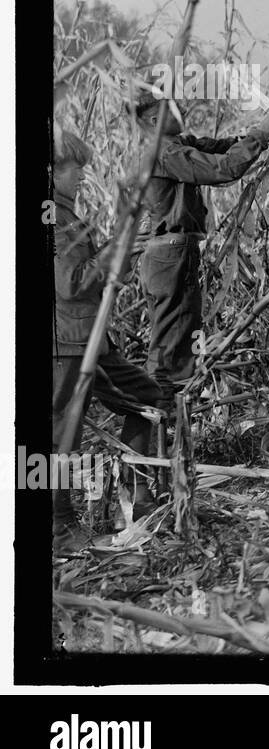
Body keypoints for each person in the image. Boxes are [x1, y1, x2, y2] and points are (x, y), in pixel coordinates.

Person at [134, 91, 269, 400]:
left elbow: (221, 147)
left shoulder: (178, 145)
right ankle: (155, 416)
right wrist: (266, 127)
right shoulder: (166, 153)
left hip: (174, 251)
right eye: (170, 109)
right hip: (170, 252)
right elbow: (225, 168)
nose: (179, 109)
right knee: (170, 340)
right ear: (156, 121)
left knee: (181, 333)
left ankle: (174, 417)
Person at [51, 129, 165, 553]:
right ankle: (61, 529)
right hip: (68, 344)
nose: (82, 175)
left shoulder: (65, 215)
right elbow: (70, 283)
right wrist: (117, 249)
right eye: (73, 168)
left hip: (89, 340)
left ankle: (135, 501)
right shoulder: (52, 216)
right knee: (62, 438)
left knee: (147, 399)